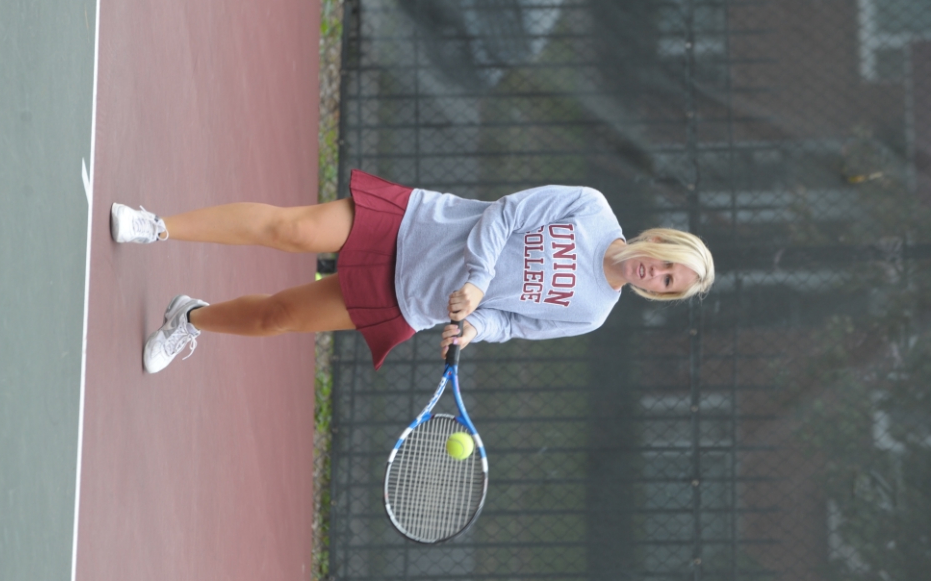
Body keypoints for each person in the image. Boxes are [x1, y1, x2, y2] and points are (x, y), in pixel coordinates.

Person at [111, 170, 714, 374]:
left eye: (666, 282)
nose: (654, 272)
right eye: (665, 262)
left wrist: (477, 328)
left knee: (279, 318)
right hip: (415, 226)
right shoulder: (589, 207)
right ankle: (156, 225)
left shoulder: (591, 313)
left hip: (411, 300)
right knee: (290, 230)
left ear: (658, 295)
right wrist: (478, 277)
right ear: (659, 241)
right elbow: (505, 214)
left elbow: (513, 324)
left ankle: (188, 317)